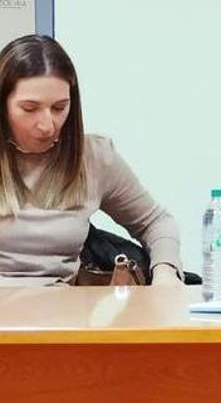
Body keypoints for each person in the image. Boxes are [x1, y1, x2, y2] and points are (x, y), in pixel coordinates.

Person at [0, 35, 183, 286]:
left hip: (65, 313)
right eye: (29, 109)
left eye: (59, 108)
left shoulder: (94, 157)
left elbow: (156, 222)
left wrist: (165, 272)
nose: (47, 125)